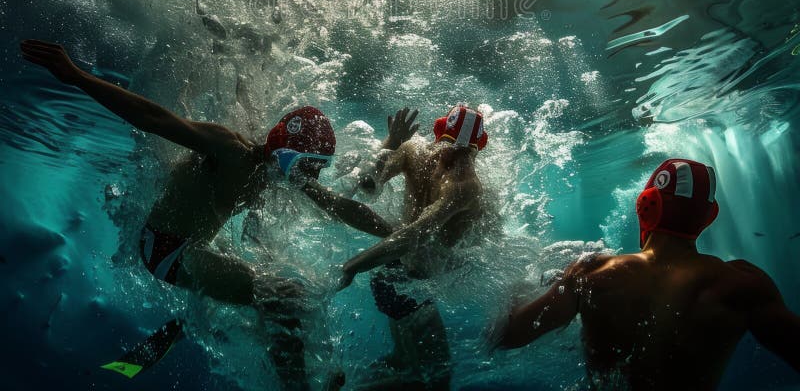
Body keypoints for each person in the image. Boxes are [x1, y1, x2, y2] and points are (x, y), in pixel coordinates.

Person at [19, 39, 393, 390]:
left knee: (283, 288)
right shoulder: (230, 149)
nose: (305, 179)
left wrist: (398, 234)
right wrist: (77, 75)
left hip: (193, 249)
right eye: (301, 165)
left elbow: (340, 206)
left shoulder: (276, 172)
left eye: (313, 170)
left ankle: (201, 317)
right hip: (164, 250)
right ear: (281, 150)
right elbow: (153, 118)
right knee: (283, 298)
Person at [491, 158, 800, 390]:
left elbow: (507, 337)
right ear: (709, 215)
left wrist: (521, 277)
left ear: (645, 206)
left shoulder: (593, 272)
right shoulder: (741, 285)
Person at [338, 105, 489, 390]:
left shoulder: (413, 149)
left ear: (439, 132)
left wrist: (390, 144)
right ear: (477, 147)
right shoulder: (464, 185)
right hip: (412, 288)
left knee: (402, 362)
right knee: (435, 382)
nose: (456, 158)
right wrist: (352, 266)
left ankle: (347, 382)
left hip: (390, 275)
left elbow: (369, 184)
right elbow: (412, 236)